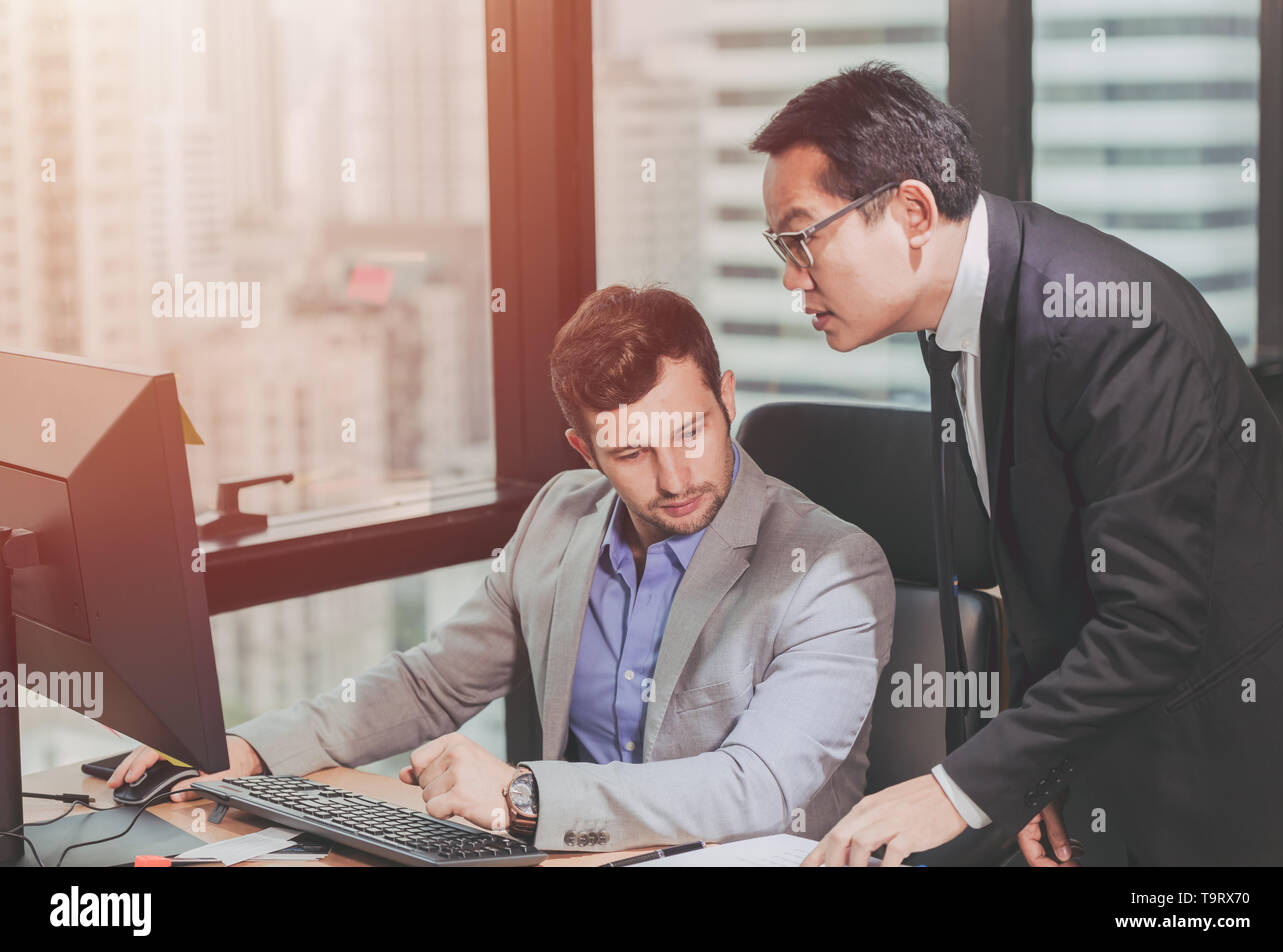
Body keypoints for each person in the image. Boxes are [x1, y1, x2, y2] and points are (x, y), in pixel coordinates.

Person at [110, 284, 895, 853]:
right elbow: (433, 683)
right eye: (631, 452)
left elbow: (755, 786)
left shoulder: (832, 568)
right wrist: (249, 748)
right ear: (586, 453)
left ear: (725, 398)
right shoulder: (560, 516)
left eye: (691, 430)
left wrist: (524, 795)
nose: (676, 475)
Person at [750, 61, 1283, 866]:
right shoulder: (957, 318)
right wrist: (1033, 770)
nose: (792, 282)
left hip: (1218, 753)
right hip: (1109, 737)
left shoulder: (1108, 327)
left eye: (803, 239)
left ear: (909, 209)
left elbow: (1151, 623)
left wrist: (957, 787)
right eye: (780, 248)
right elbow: (1042, 569)